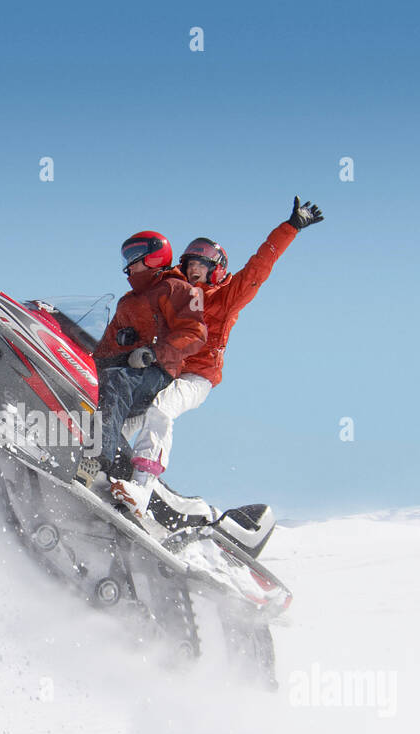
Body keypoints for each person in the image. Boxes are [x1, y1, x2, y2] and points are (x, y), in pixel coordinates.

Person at [121, 196, 324, 516]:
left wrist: (289, 228)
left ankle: (142, 486)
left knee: (161, 408)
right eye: (189, 265)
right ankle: (105, 467)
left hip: (197, 376)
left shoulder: (228, 297)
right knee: (125, 410)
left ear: (217, 271)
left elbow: (260, 266)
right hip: (166, 369)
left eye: (201, 267)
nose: (194, 271)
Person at [91, 230, 207, 517]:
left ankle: (96, 462)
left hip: (157, 373)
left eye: (134, 257)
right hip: (126, 372)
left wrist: (155, 353)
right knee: (93, 387)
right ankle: (110, 465)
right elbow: (106, 346)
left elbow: (195, 333)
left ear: (155, 256)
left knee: (117, 382)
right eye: (126, 258)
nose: (128, 265)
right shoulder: (128, 301)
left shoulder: (177, 289)